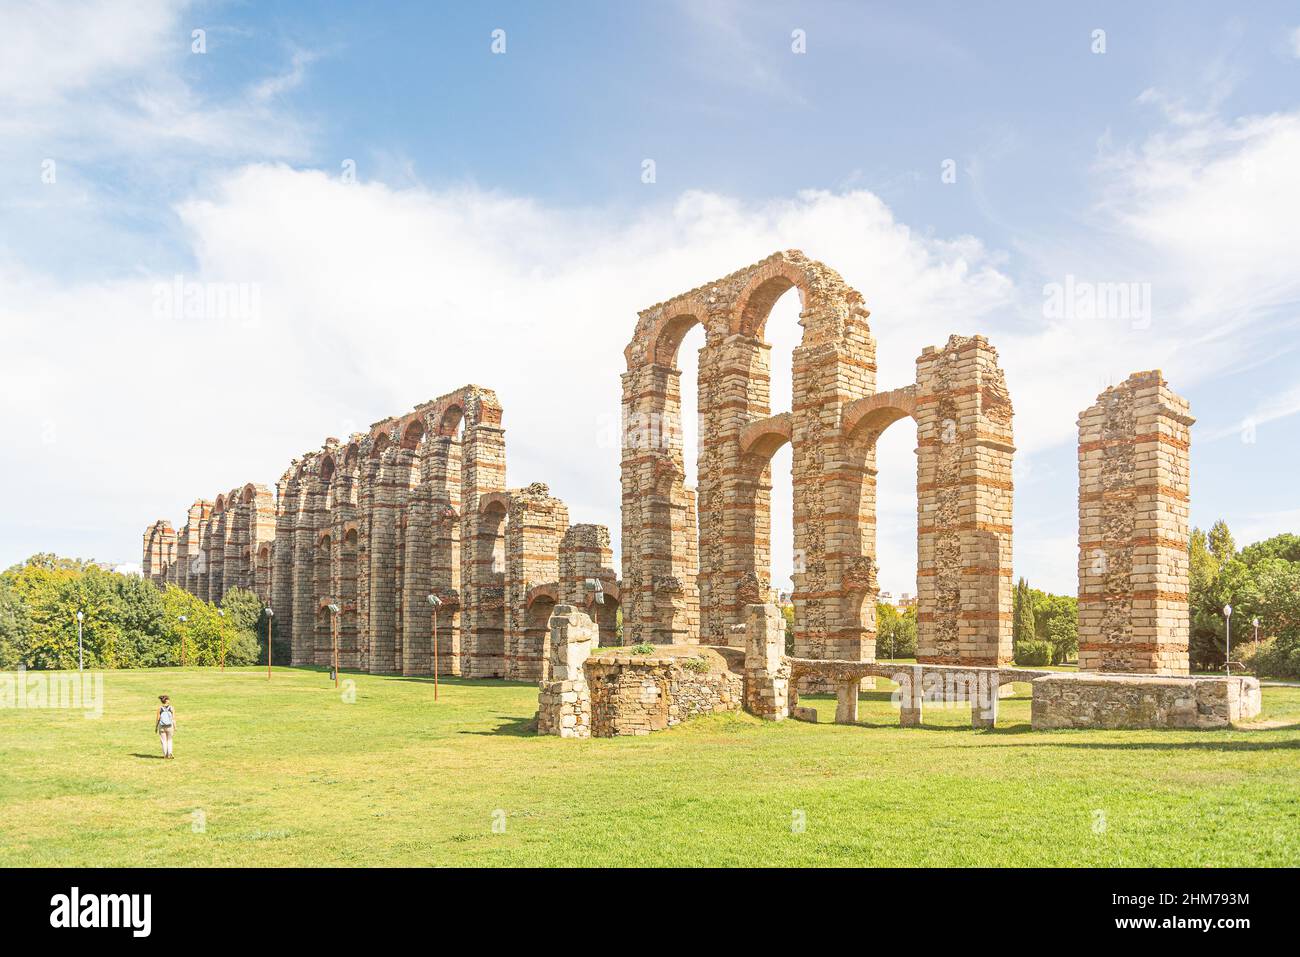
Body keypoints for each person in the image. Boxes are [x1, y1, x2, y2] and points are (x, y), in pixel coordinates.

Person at [155, 694, 176, 759]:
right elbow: (173, 718)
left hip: (162, 726)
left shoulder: (159, 708)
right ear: (166, 700)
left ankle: (165, 755)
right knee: (169, 740)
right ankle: (169, 753)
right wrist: (175, 727)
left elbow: (158, 719)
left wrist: (156, 727)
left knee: (163, 741)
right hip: (169, 726)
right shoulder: (171, 708)